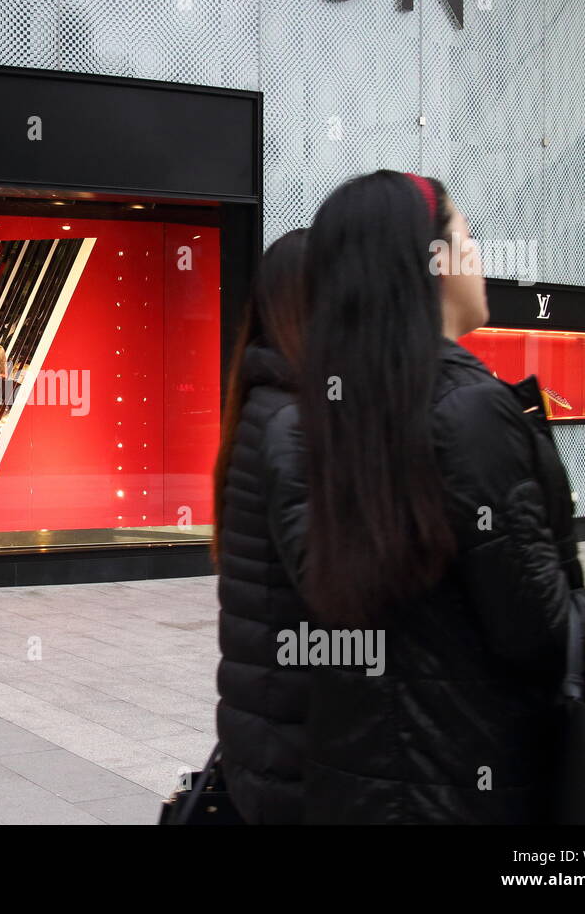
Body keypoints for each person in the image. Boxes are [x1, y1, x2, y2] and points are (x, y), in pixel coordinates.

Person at [285, 169, 585, 823]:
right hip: (470, 782)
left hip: (367, 779)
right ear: (430, 263)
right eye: (467, 237)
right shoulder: (467, 412)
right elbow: (537, 636)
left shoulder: (339, 409)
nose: (478, 257)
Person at [212, 228, 311, 824]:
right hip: (292, 745)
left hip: (271, 729)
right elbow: (337, 582)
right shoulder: (293, 423)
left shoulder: (263, 405)